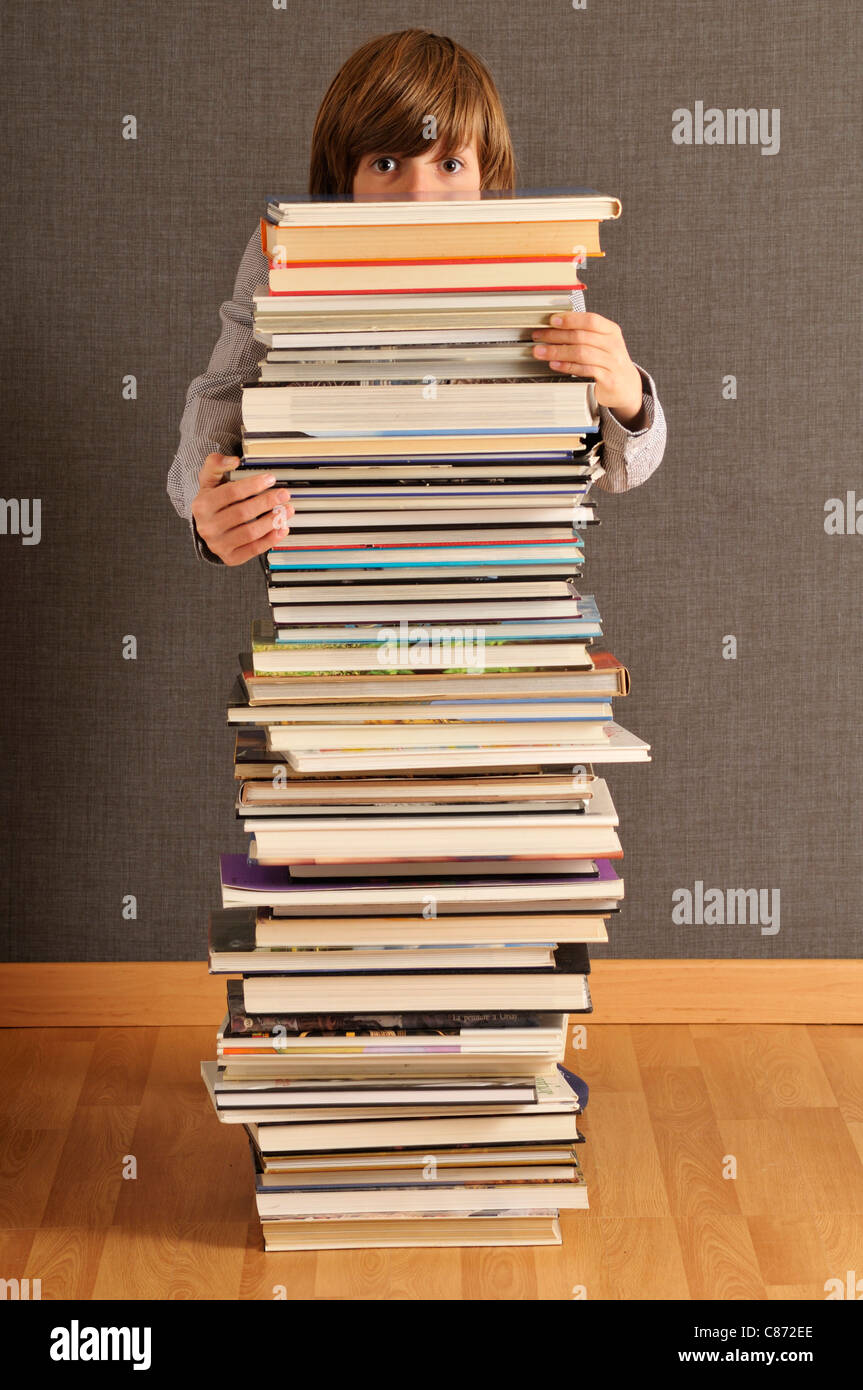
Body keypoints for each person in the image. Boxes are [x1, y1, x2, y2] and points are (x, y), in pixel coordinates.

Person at [168, 28, 667, 567]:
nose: (419, 195)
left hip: (499, 583)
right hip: (339, 582)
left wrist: (629, 400)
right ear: (345, 179)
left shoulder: (535, 263)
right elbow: (220, 398)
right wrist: (207, 509)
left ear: (486, 177)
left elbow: (621, 470)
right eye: (386, 164)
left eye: (449, 165)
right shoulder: (282, 259)